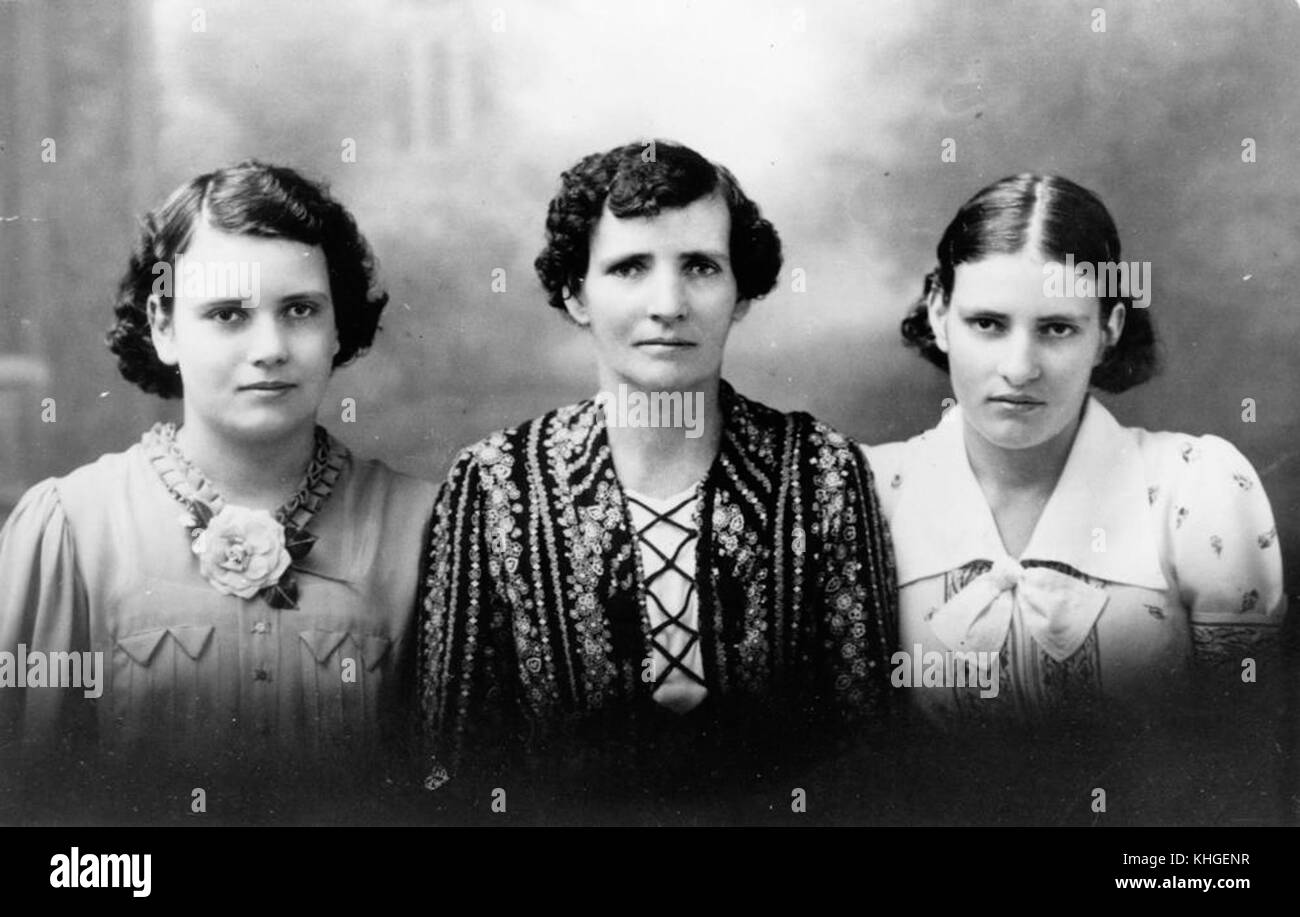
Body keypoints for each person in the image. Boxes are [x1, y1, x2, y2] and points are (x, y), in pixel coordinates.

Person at [419, 140, 898, 819]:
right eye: (630, 267)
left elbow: (871, 762)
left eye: (701, 266)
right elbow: (452, 768)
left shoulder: (822, 472)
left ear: (740, 293)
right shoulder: (493, 485)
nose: (668, 303)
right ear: (574, 293)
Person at [0, 161, 437, 823]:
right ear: (165, 325)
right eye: (229, 314)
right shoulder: (72, 528)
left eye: (299, 310)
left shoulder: (426, 529)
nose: (270, 347)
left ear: (338, 324)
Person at [857, 173, 1285, 822]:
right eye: (988, 323)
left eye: (1056, 328)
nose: (1021, 366)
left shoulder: (1192, 490)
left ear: (1108, 327)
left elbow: (1243, 766)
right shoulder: (866, 494)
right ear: (941, 315)